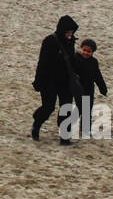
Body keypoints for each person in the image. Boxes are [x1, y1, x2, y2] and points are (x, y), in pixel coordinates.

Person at [32, 15, 83, 145]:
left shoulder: (70, 41)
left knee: (66, 108)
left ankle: (64, 138)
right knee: (48, 107)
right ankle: (36, 125)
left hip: (65, 82)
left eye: (72, 32)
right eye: (68, 31)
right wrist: (38, 81)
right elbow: (42, 63)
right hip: (49, 82)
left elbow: (71, 62)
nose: (70, 34)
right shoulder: (49, 41)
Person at [73, 39, 108, 127]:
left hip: (89, 89)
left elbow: (98, 76)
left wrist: (103, 88)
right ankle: (68, 125)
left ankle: (85, 129)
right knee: (80, 108)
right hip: (78, 88)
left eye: (89, 51)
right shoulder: (75, 58)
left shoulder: (94, 62)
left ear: (93, 52)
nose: (86, 53)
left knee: (88, 110)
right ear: (81, 49)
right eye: (84, 50)